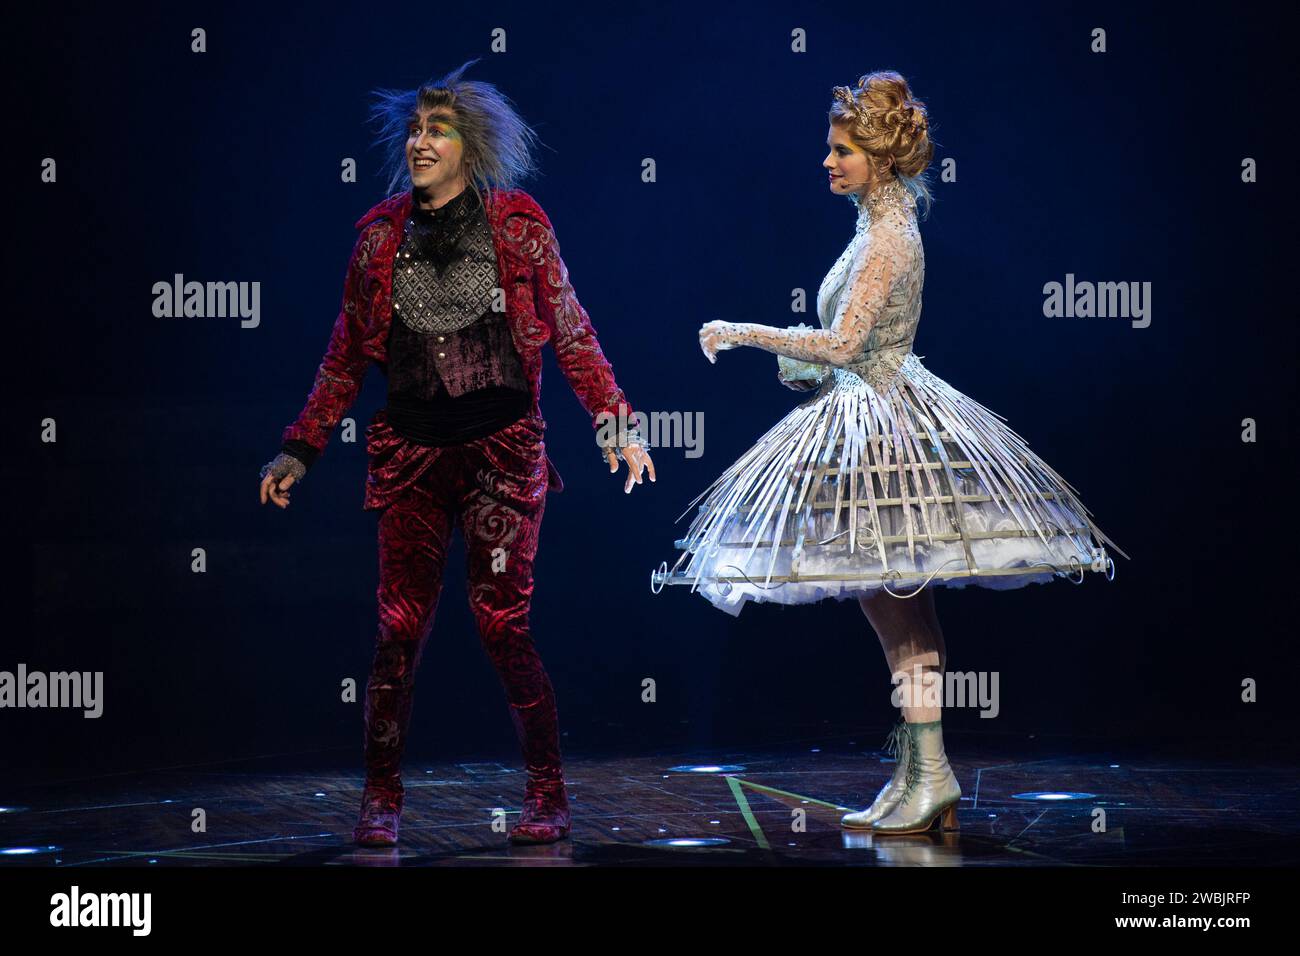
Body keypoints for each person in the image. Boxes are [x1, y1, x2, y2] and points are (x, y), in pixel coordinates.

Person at [653, 71, 1127, 835]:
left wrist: (744, 332)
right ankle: (920, 776)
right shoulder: (880, 227)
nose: (828, 162)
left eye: (841, 150)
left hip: (883, 426)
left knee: (897, 606)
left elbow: (844, 344)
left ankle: (930, 776)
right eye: (830, 149)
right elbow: (850, 343)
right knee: (896, 605)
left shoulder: (886, 236)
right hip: (879, 412)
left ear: (878, 156)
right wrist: (801, 359)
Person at [259, 60, 654, 847]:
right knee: (399, 627)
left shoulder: (519, 225)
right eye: (413, 128)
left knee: (501, 622)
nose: (419, 140)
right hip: (410, 454)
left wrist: (617, 423)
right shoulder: (377, 238)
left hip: (502, 455)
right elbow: (343, 357)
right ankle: (380, 798)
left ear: (469, 145)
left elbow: (571, 331)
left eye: (436, 129)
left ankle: (548, 794)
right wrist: (298, 449)